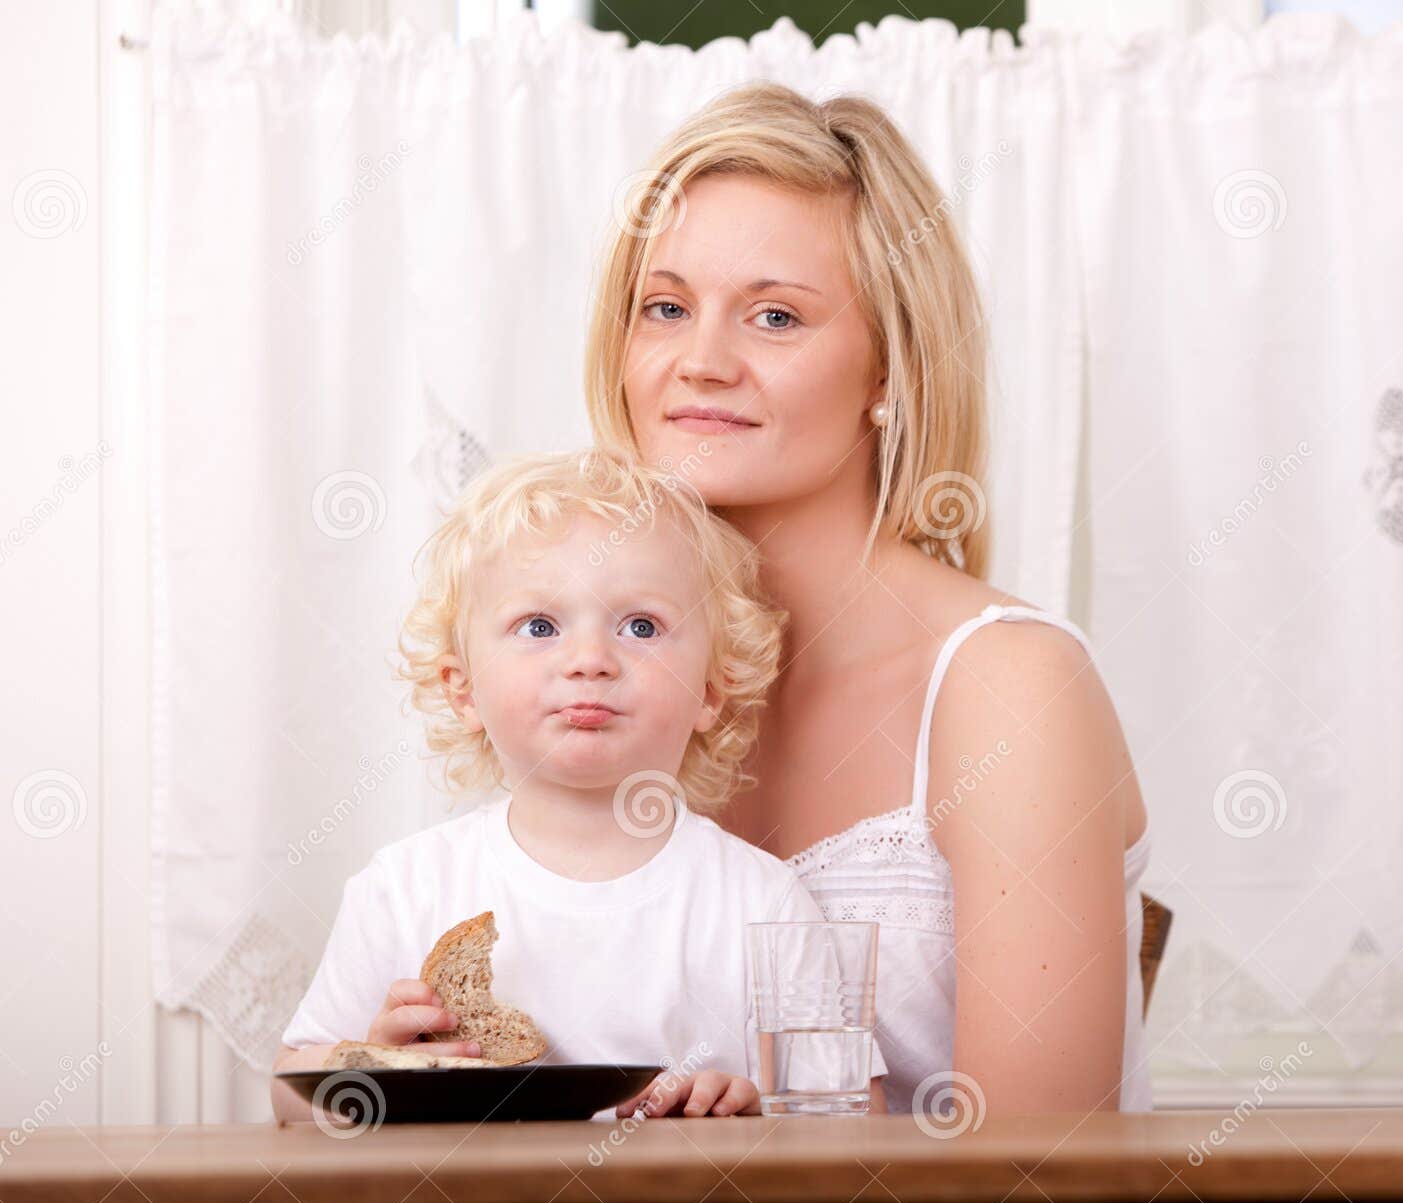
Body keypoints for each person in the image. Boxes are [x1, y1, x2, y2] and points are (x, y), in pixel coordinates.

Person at [583, 82, 1154, 1115]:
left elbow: (1036, 1189)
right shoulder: (600, 680)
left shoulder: (1006, 684)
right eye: (664, 307)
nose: (699, 362)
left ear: (887, 371)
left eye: (774, 316)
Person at [270, 447, 887, 1122]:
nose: (590, 660)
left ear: (713, 688)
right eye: (539, 626)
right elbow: (288, 1087)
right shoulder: (404, 887)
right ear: (463, 689)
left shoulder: (761, 901)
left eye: (641, 627)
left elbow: (853, 1116)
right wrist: (374, 1067)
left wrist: (756, 1109)